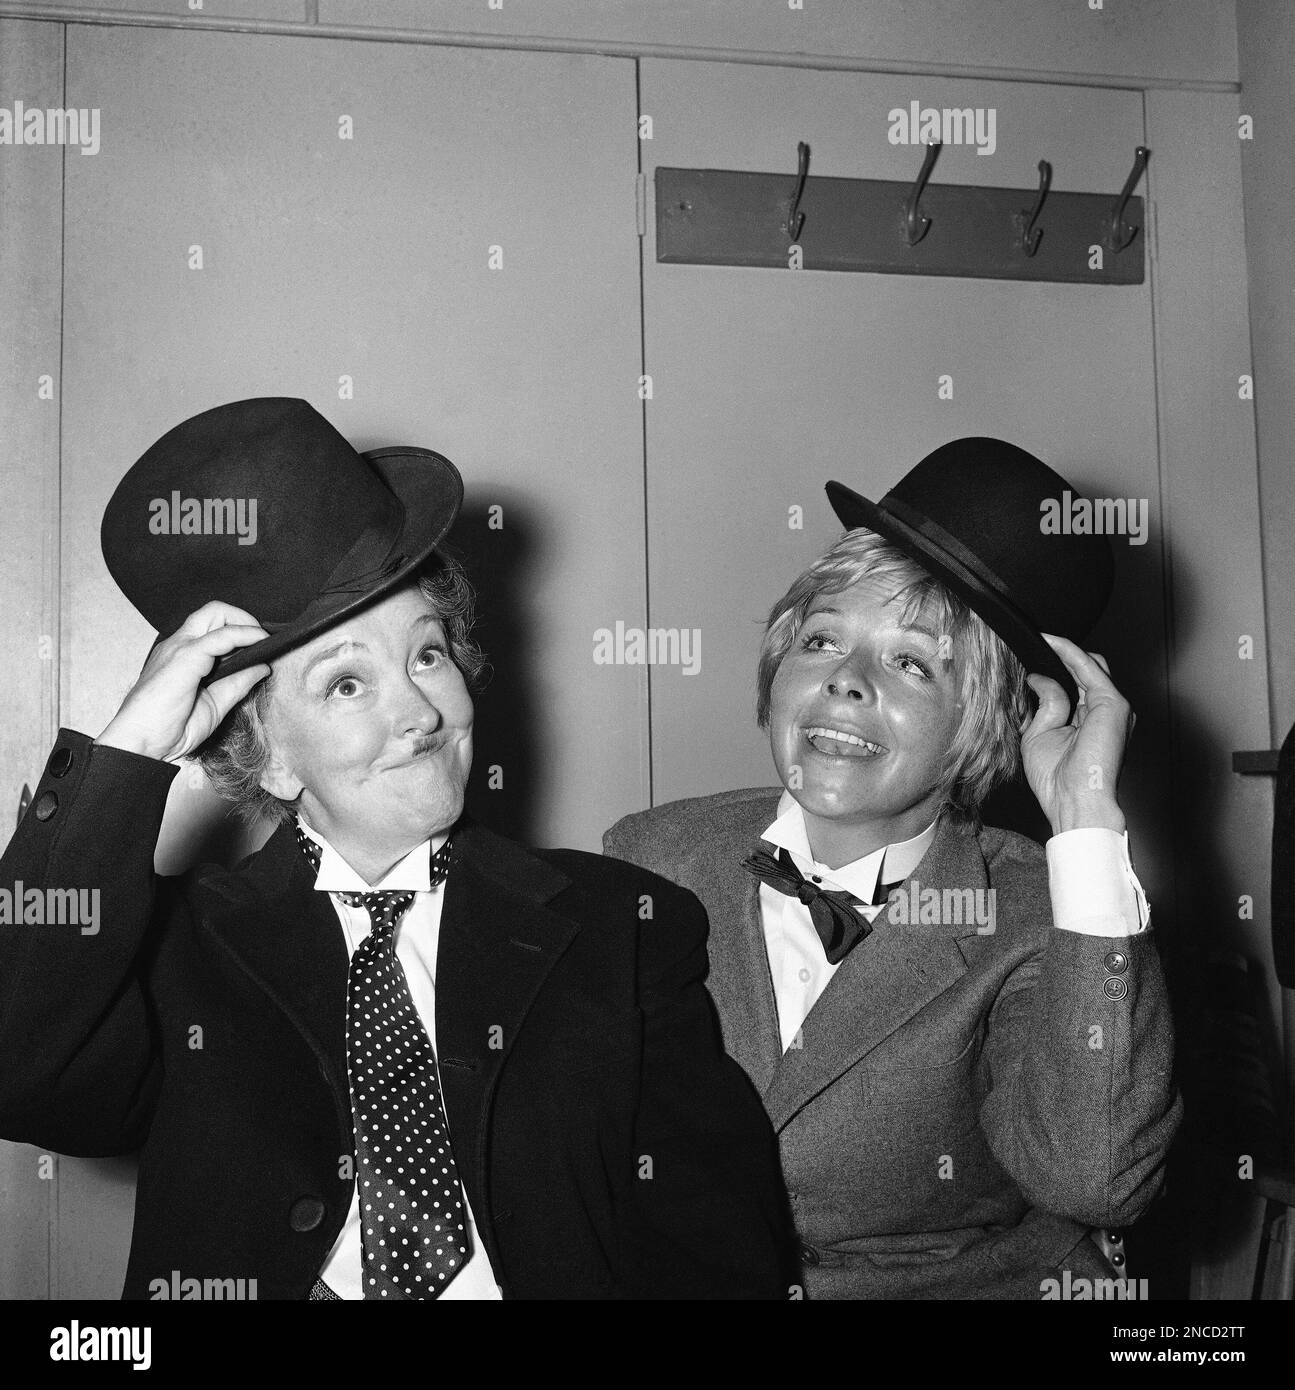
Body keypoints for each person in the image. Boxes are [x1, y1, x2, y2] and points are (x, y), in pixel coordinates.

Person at [0, 397, 790, 1300]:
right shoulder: (175, 953)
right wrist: (127, 755)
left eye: (426, 654)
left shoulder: (622, 925)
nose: (419, 712)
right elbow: (18, 1076)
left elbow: (715, 1241)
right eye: (346, 683)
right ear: (271, 757)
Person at [606, 437, 1182, 1299]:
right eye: (820, 641)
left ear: (986, 723)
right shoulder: (647, 857)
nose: (845, 682)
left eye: (912, 662)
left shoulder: (1036, 912)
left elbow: (1094, 1181)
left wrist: (1085, 819)